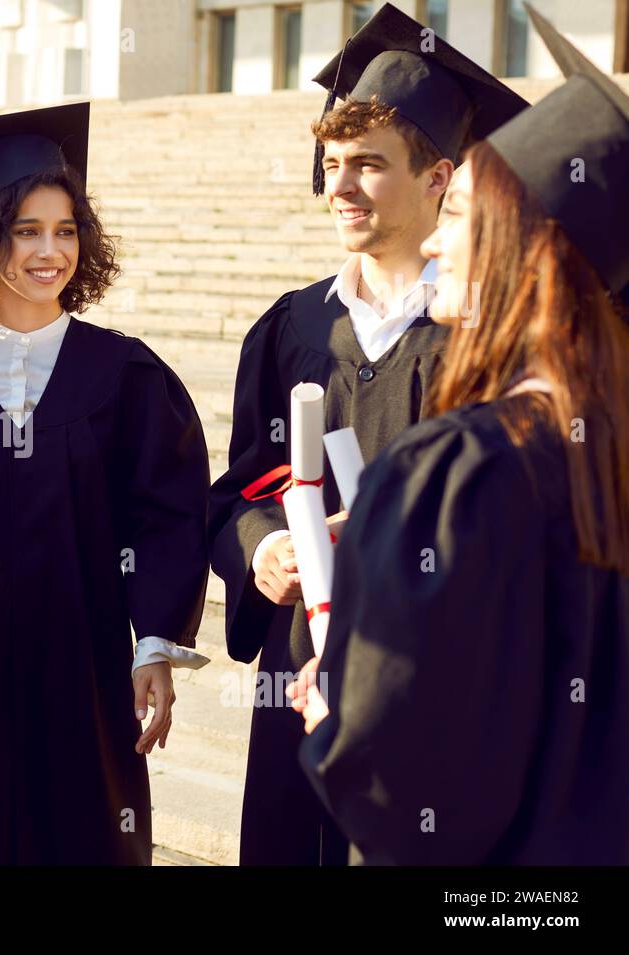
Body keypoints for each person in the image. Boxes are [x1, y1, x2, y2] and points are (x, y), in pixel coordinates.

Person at [294, 5, 629, 864]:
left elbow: (400, 785)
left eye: (463, 213)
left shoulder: (463, 465)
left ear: (523, 253)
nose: (437, 239)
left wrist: (337, 700)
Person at [206, 2, 527, 865]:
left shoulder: (482, 336)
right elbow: (240, 486)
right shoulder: (290, 328)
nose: (340, 185)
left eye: (369, 167)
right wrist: (262, 546)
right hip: (297, 663)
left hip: (424, 679)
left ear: (439, 180)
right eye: (333, 163)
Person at [0, 102, 210, 864]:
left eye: (64, 230)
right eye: (26, 230)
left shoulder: (123, 375)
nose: (49, 251)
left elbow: (167, 516)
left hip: (86, 680)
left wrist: (154, 642)